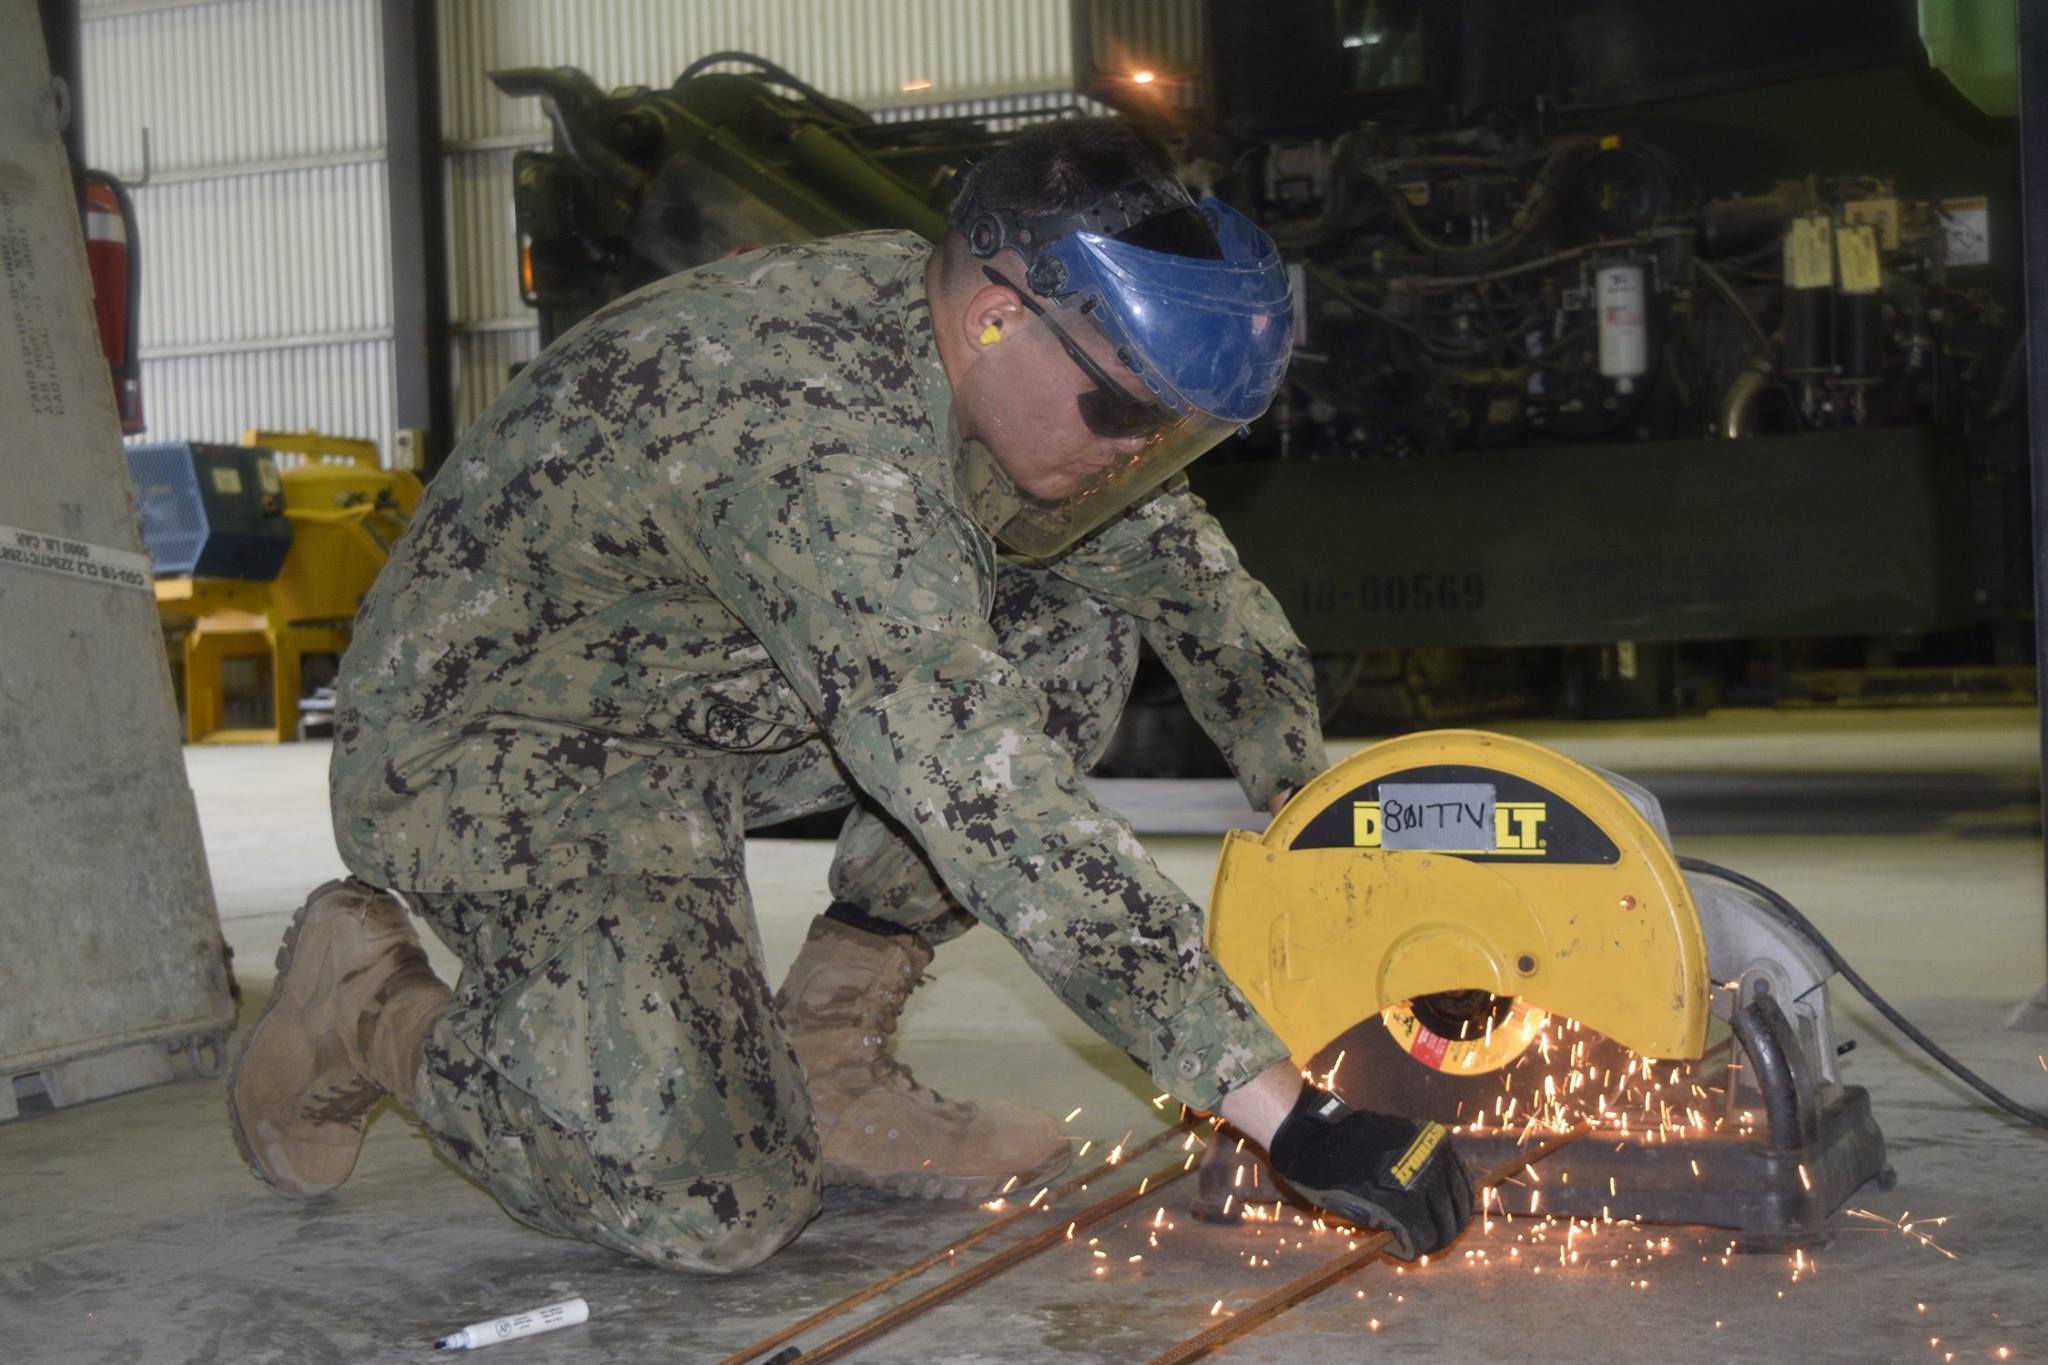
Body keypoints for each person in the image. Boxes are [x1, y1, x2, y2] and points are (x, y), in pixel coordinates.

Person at [226, 118, 1473, 1272]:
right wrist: (1282, 1112)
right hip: (507, 736)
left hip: (702, 687)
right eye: (1126, 409)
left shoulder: (984, 363)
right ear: (996, 317)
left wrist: (1335, 837)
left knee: (1072, 623)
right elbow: (983, 792)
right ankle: (363, 1006)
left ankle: (825, 1056)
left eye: (1176, 430)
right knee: (713, 1199)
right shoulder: (807, 439)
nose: (1140, 450)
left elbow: (1200, 595)